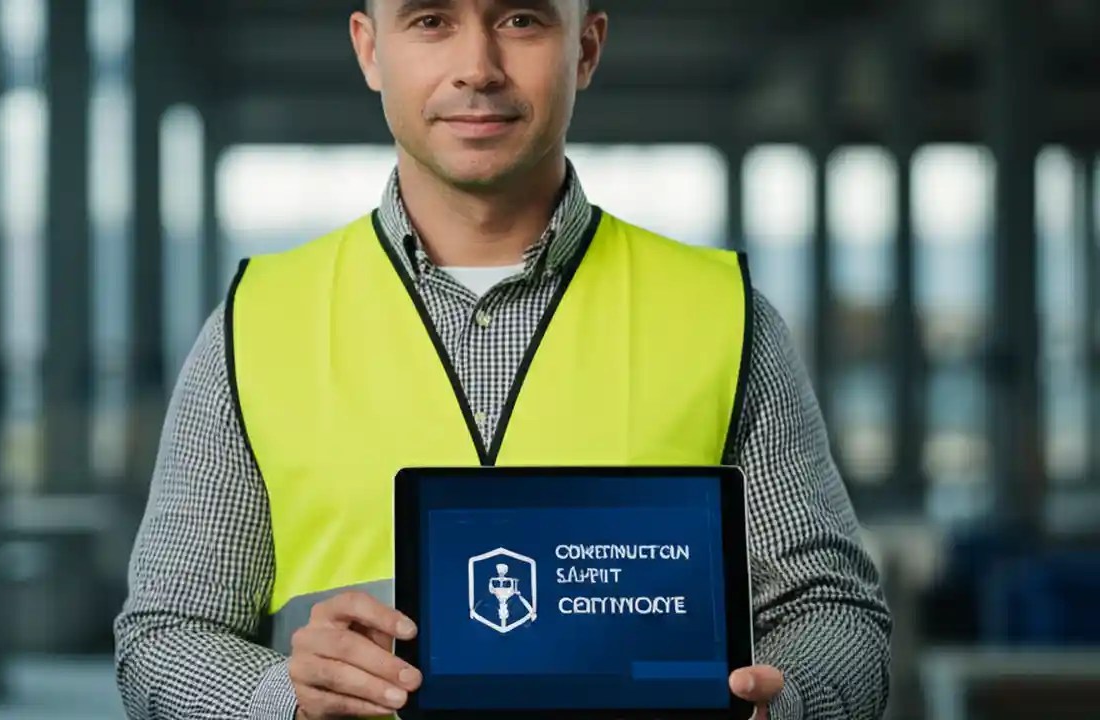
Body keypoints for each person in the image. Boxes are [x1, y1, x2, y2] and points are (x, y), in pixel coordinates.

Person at [113, 1, 892, 718]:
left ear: (585, 47)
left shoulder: (726, 319)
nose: (478, 65)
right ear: (369, 49)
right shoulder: (257, 326)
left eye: (520, 19)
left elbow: (834, 614)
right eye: (430, 21)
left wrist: (786, 704)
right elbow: (163, 636)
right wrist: (280, 696)